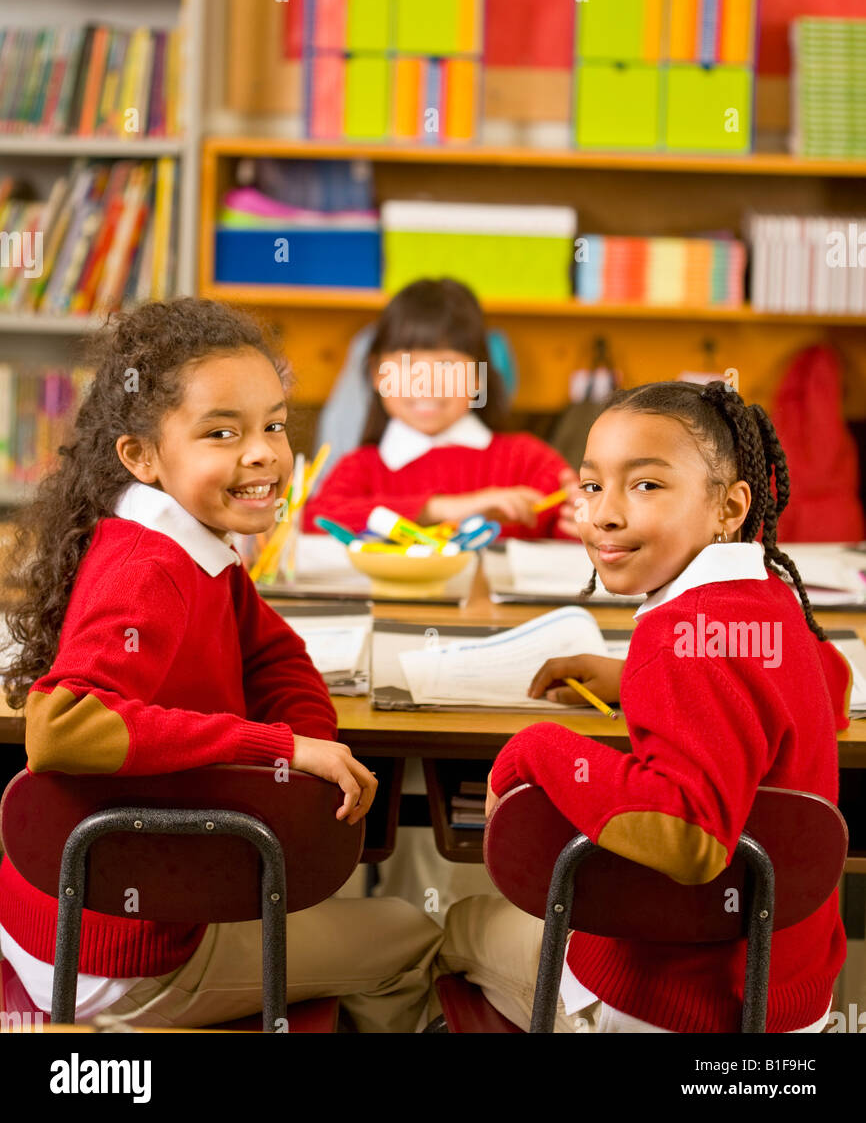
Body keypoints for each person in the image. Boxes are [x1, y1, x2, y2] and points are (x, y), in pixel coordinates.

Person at [0, 298, 441, 1032]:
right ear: (141, 456)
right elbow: (62, 726)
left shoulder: (200, 549)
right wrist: (276, 749)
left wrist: (296, 772)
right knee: (417, 934)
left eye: (273, 423)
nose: (265, 450)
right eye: (221, 433)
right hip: (120, 952)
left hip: (91, 916)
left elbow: (274, 652)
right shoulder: (149, 568)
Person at [437, 379, 851, 1033]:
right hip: (786, 1001)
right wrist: (633, 674)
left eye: (647, 486)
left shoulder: (676, 641)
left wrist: (536, 748)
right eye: (592, 485)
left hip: (663, 1010)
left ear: (730, 507)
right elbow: (831, 685)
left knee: (454, 927)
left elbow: (690, 837)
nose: (603, 514)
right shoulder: (770, 600)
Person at [304, 278, 582, 541]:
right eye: (408, 364)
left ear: (477, 377)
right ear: (378, 374)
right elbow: (316, 522)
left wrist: (586, 522)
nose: (427, 383)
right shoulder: (359, 469)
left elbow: (578, 534)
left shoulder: (529, 462)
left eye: (447, 365)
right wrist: (439, 509)